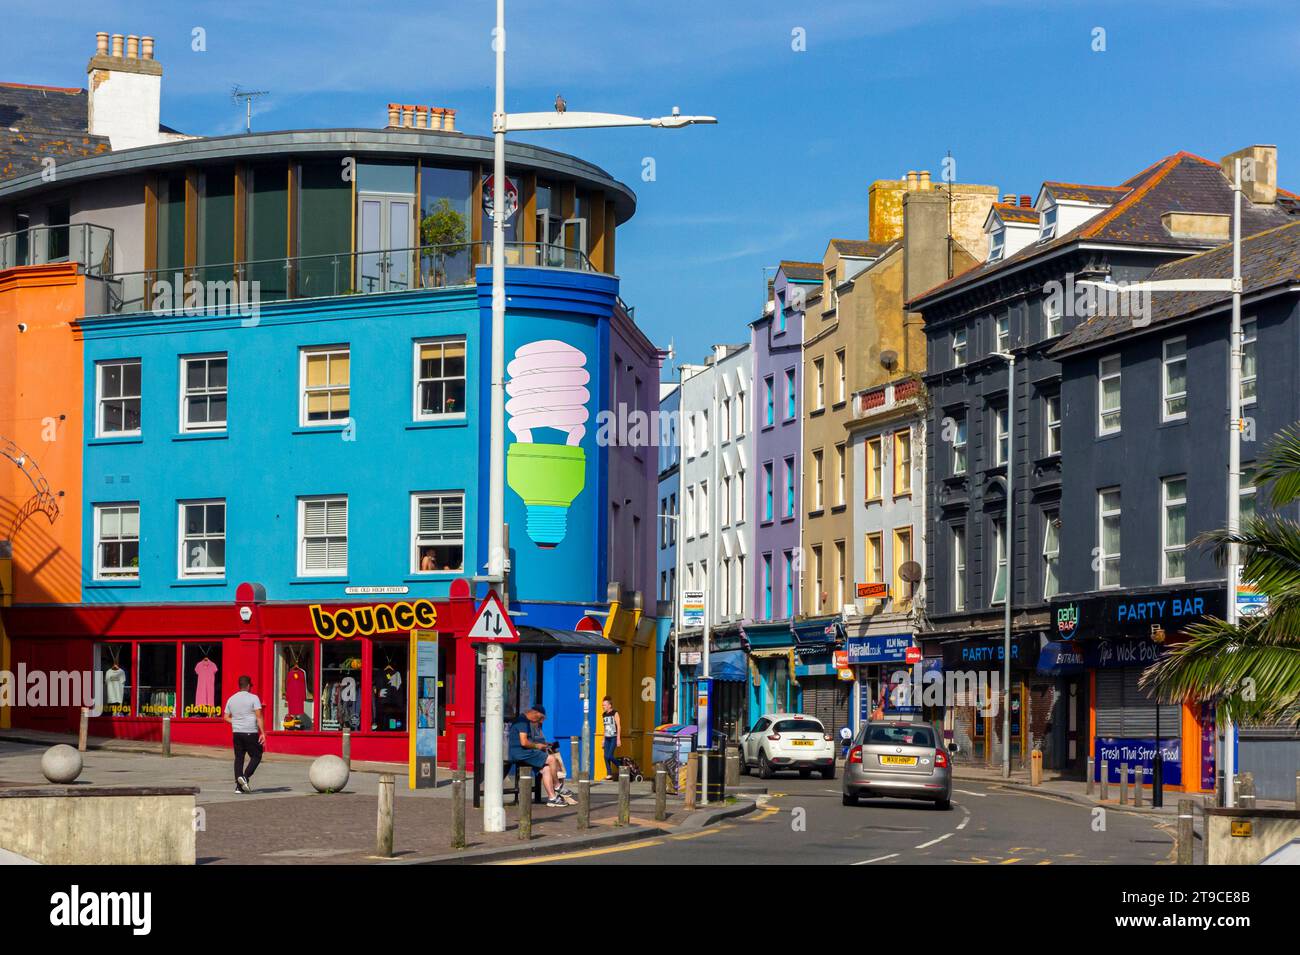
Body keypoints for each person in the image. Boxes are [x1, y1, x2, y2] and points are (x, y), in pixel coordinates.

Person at [508, 704, 574, 807]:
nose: (541, 721)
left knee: (546, 769)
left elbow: (528, 740)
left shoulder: (526, 722)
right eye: (540, 718)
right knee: (552, 759)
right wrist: (537, 746)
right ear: (535, 713)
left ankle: (552, 798)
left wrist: (545, 744)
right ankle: (557, 786)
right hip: (520, 753)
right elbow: (524, 742)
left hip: (524, 752)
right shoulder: (522, 722)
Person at [223, 675, 266, 794]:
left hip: (236, 732)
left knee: (239, 758)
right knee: (257, 755)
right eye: (250, 686)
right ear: (248, 686)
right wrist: (263, 733)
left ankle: (239, 787)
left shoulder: (231, 699)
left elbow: (226, 717)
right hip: (250, 732)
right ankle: (245, 777)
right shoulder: (254, 698)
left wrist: (236, 722)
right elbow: (259, 716)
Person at [601, 696, 622, 781]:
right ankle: (609, 774)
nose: (603, 707)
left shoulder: (615, 713)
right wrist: (603, 739)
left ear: (609, 705)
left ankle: (620, 766)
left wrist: (618, 738)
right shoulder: (604, 714)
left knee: (609, 755)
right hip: (607, 737)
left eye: (605, 705)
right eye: (602, 705)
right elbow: (605, 727)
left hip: (613, 737)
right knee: (605, 756)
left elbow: (619, 726)